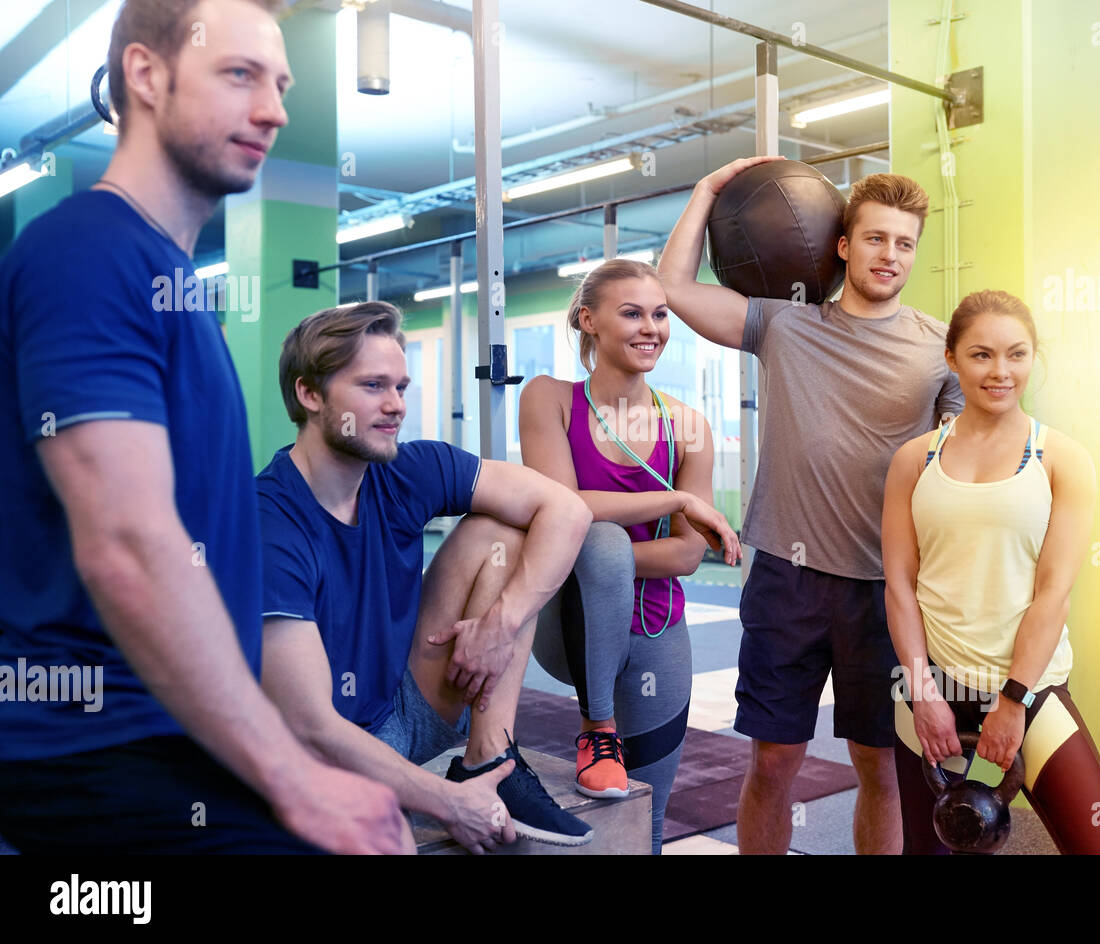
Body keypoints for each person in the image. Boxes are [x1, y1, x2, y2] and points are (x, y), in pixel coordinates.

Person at [0, 0, 410, 853]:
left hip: (172, 737)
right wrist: (295, 776)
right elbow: (128, 545)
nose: (275, 109)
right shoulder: (87, 252)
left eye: (282, 83)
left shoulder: (175, 284)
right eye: (240, 75)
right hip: (98, 753)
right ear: (147, 75)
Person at [658, 159, 963, 854]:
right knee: (773, 762)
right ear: (845, 246)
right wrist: (705, 190)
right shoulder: (784, 325)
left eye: (905, 243)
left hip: (885, 590)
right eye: (877, 238)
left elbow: (969, 459)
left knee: (880, 766)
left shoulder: (936, 348)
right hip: (786, 581)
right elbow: (674, 287)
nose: (891, 255)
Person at [257, 301, 595, 851]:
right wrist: (443, 804)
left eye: (401, 387)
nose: (396, 407)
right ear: (310, 395)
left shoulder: (407, 468)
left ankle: (490, 756)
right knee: (395, 844)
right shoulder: (267, 523)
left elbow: (567, 510)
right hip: (321, 755)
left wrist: (499, 626)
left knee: (503, 535)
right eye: (372, 386)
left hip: (402, 706)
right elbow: (310, 726)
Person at [881, 289, 1100, 855]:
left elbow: (1054, 591)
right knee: (929, 852)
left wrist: (1012, 701)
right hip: (929, 692)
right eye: (981, 355)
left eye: (1016, 355)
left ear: (1033, 358)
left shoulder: (1061, 459)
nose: (1001, 371)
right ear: (952, 359)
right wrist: (922, 693)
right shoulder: (913, 460)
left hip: (1027, 692)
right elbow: (899, 584)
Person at [519, 259, 741, 854]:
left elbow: (687, 555)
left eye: (661, 314)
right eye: (632, 313)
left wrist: (603, 567)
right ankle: (596, 727)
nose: (652, 328)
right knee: (600, 538)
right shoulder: (550, 399)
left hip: (654, 628)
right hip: (569, 624)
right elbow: (561, 506)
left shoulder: (688, 425)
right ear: (588, 320)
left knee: (650, 819)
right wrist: (672, 499)